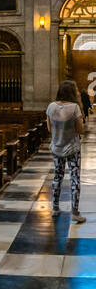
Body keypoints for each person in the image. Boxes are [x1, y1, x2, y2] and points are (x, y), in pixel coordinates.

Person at [52, 82, 85, 217]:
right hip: (72, 148)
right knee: (74, 179)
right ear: (72, 92)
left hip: (57, 147)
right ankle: (75, 212)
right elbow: (80, 129)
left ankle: (55, 208)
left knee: (57, 177)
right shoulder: (75, 107)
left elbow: (50, 128)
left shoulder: (51, 107)